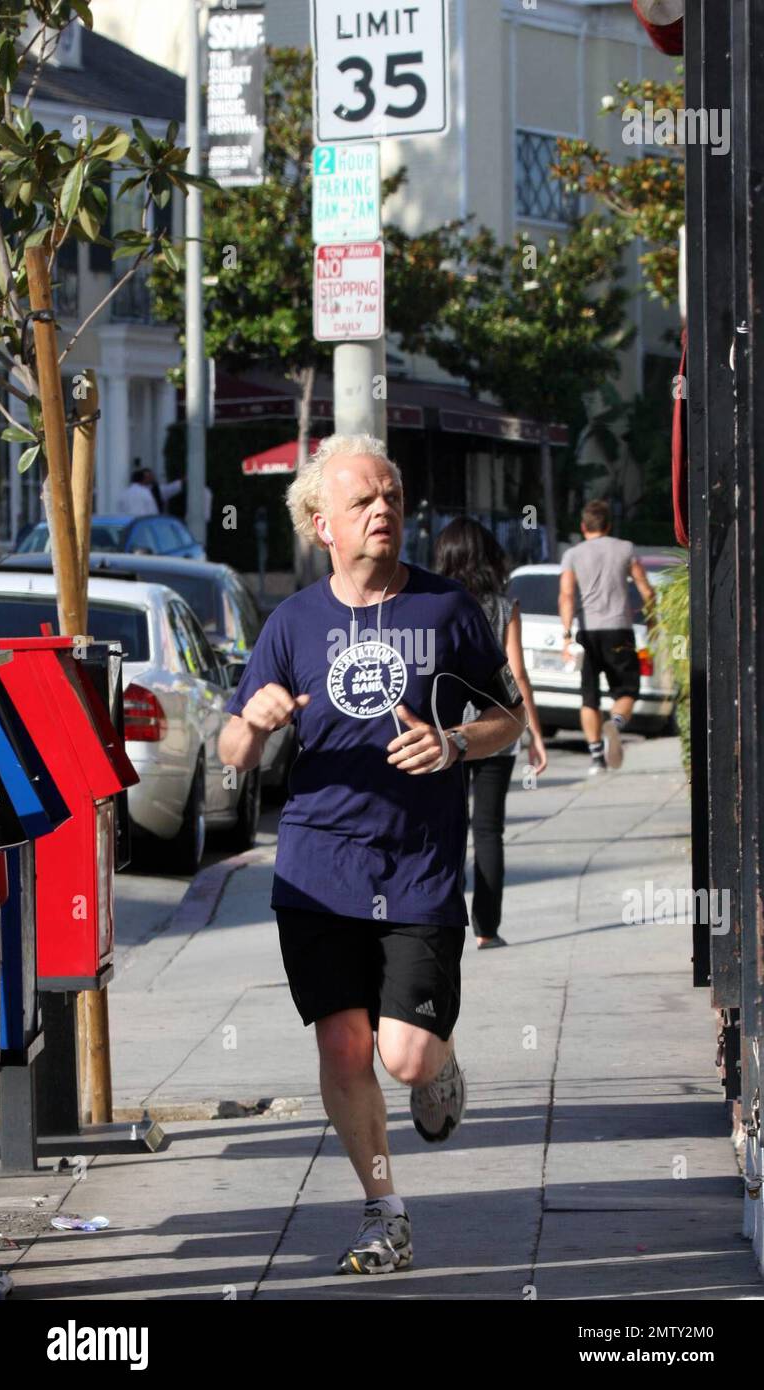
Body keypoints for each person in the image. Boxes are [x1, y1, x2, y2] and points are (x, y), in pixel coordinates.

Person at [218, 435, 526, 1276]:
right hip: (317, 866)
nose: (384, 510)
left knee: (405, 1055)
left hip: (419, 863)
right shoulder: (292, 623)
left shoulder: (446, 608)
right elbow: (233, 752)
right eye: (363, 501)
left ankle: (442, 1060)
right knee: (344, 1048)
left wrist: (456, 744)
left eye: (389, 496)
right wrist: (256, 720)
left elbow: (509, 717)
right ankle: (383, 1211)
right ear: (323, 524)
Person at [435, 518, 548, 949]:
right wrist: (533, 733)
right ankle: (486, 929)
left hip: (450, 732)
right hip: (498, 729)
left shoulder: (436, 603)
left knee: (447, 827)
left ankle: (443, 920)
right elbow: (516, 674)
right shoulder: (506, 606)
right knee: (488, 830)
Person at [559, 500, 656, 776]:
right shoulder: (625, 548)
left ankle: (596, 759)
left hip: (586, 633)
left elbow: (566, 595)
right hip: (619, 630)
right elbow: (647, 591)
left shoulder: (573, 554)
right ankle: (614, 723)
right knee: (627, 690)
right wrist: (653, 623)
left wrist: (566, 636)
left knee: (589, 697)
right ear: (609, 525)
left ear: (583, 526)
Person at [116, 467, 184, 517]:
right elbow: (153, 512)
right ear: (142, 479)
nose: (150, 478)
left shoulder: (124, 493)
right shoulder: (146, 493)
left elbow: (170, 488)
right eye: (147, 477)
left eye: (150, 476)